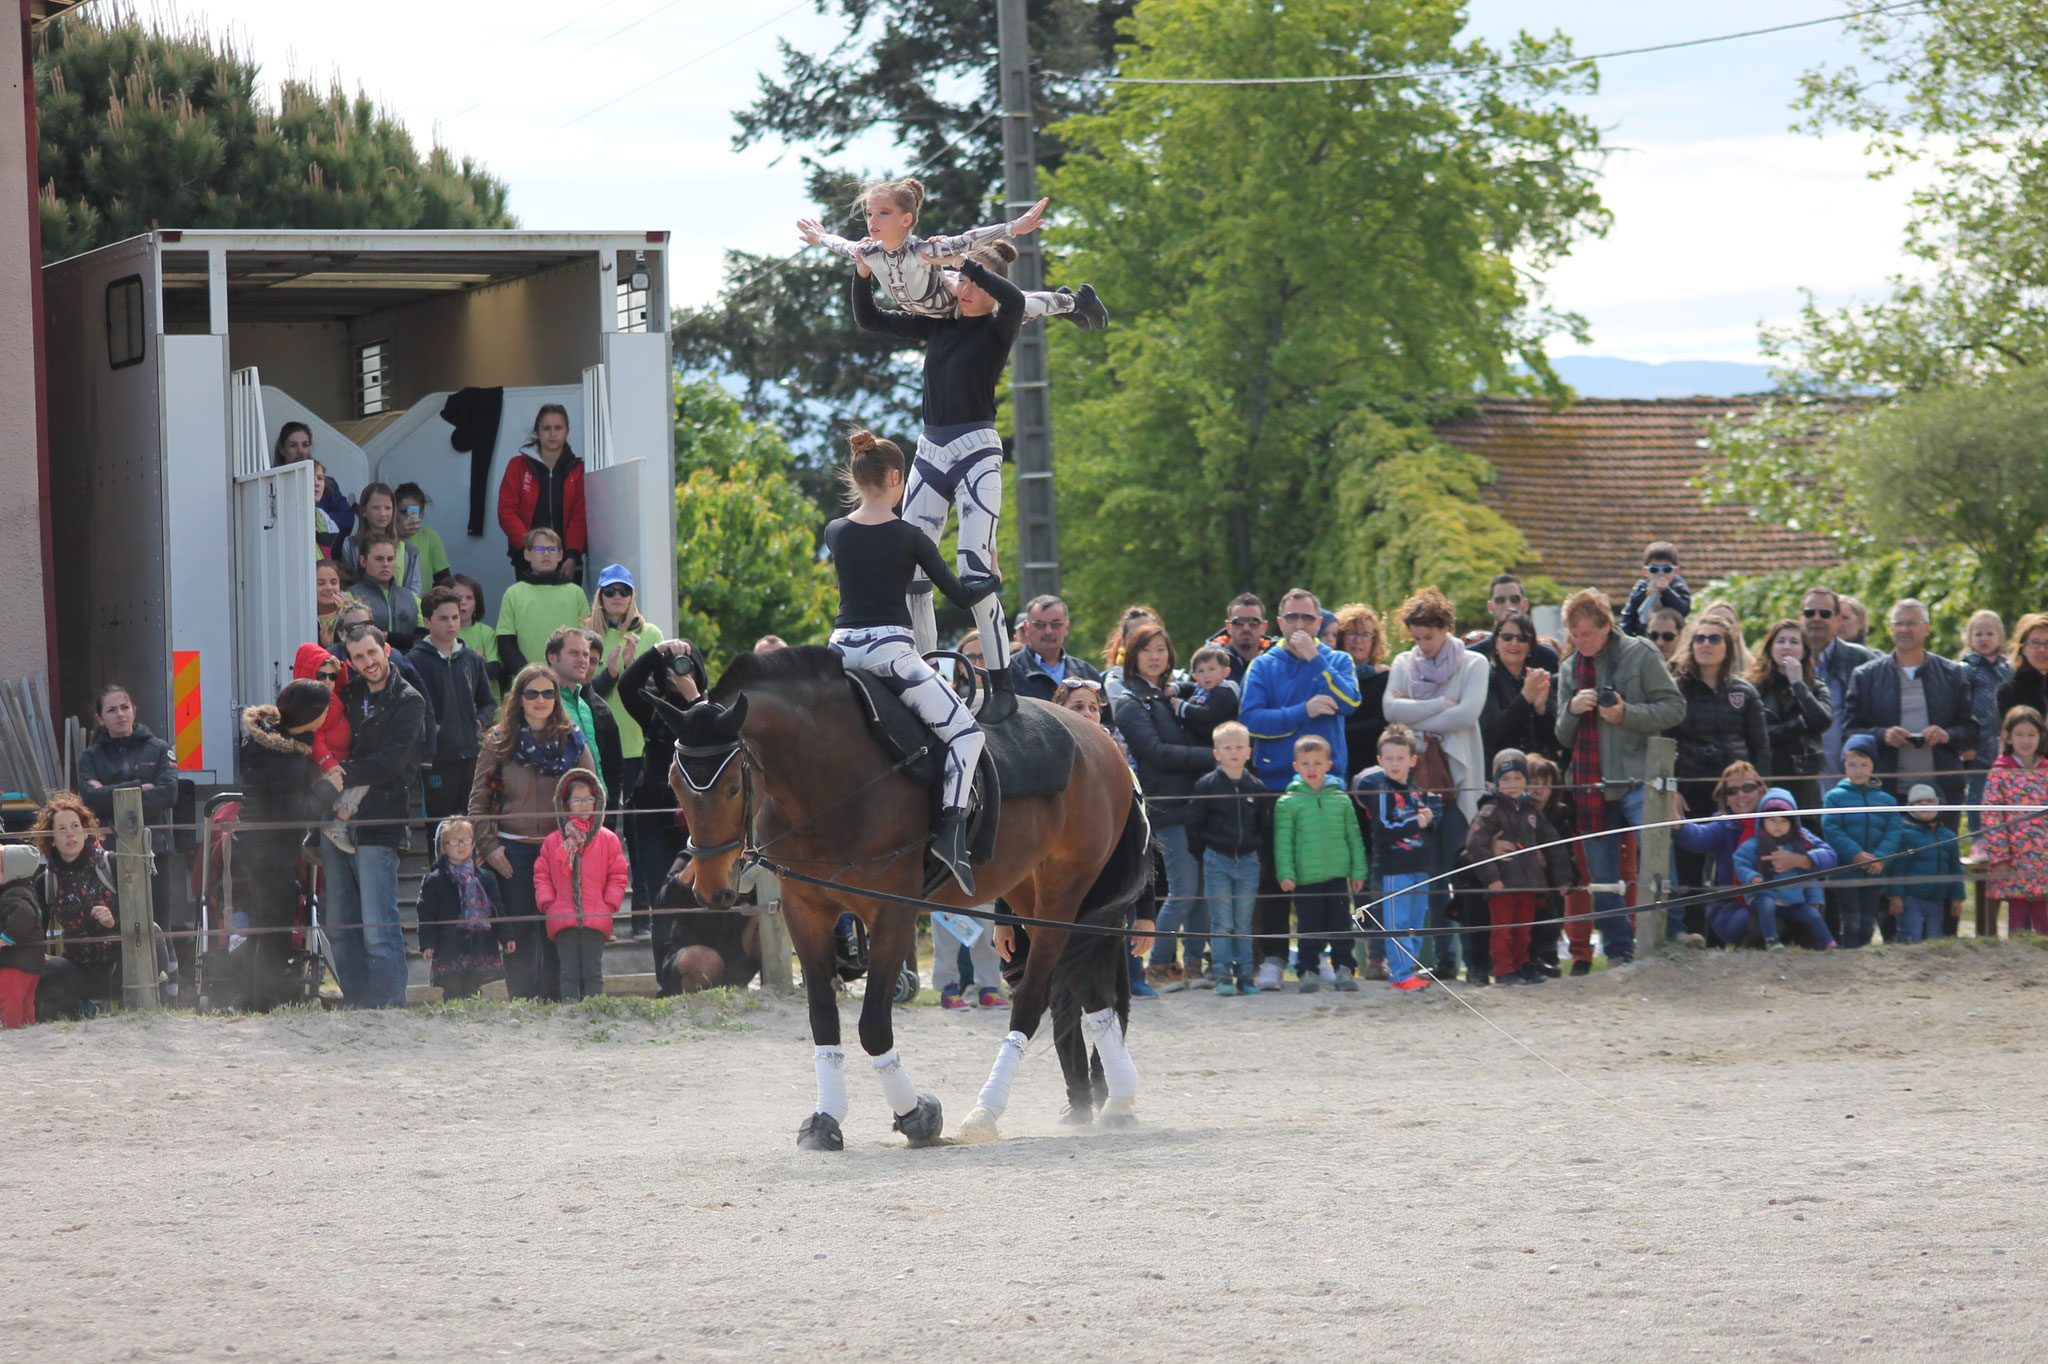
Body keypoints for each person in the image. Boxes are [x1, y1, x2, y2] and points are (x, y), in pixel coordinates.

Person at [823, 429, 998, 895]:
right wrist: (992, 576)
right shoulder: (910, 536)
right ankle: (950, 832)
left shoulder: (835, 532)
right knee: (966, 733)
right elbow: (961, 596)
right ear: (898, 477)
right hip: (889, 651)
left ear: (858, 477)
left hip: (839, 650)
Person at [848, 240, 1022, 679]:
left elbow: (1015, 299)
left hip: (976, 452)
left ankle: (1001, 683)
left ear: (991, 287)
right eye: (959, 280)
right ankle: (928, 672)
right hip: (930, 452)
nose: (963, 288)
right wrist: (863, 273)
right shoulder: (938, 325)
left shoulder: (999, 327)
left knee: (975, 570)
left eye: (972, 281)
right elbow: (867, 318)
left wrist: (961, 260)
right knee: (914, 577)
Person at [1552, 588, 1687, 971]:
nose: (1581, 642)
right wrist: (1573, 710)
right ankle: (1618, 952)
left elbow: (1675, 707)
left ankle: (1673, 932)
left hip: (1636, 777)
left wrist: (1627, 713)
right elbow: (1561, 735)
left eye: (1587, 635)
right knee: (1604, 879)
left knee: (1658, 857)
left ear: (1607, 626)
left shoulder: (1640, 653)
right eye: (1574, 635)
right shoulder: (1568, 668)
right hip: (1591, 784)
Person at [801, 178, 1104, 327]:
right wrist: (820, 237)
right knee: (1019, 315)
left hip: (956, 305)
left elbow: (967, 240)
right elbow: (842, 246)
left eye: (882, 213)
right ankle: (1068, 304)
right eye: (869, 214)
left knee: (1019, 310)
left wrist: (1014, 227)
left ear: (906, 220)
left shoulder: (923, 250)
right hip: (933, 315)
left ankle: (1077, 300)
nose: (872, 221)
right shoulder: (869, 252)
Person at [1379, 586, 1489, 980]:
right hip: (1415, 785)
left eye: (1429, 636)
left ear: (1445, 628)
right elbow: (1391, 711)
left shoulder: (1474, 663)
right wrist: (1439, 707)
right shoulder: (1403, 662)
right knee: (1429, 874)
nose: (1422, 645)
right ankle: (1442, 957)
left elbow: (1467, 716)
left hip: (1458, 781)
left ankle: (1475, 959)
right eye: (1417, 637)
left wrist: (1415, 717)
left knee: (1461, 870)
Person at [321, 625, 427, 1008]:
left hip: (380, 821)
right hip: (333, 819)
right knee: (341, 926)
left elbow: (392, 764)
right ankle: (357, 1005)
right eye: (359, 657)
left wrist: (339, 771)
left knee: (378, 929)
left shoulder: (409, 700)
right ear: (351, 661)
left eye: (373, 653)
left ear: (385, 650)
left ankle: (387, 1008)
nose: (369, 662)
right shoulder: (346, 694)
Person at [470, 662, 591, 1000]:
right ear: (518, 698)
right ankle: (522, 1003)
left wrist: (578, 840)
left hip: (560, 851)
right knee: (518, 934)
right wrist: (490, 847)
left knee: (557, 931)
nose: (541, 699)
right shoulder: (499, 741)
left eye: (548, 693)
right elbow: (477, 803)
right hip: (512, 851)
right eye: (532, 693)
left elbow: (595, 796)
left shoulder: (573, 741)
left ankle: (555, 1000)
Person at [1113, 622, 1214, 990]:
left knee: (1200, 891)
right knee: (1183, 889)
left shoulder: (1176, 695)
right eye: (1146, 649)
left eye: (1161, 649)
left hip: (1199, 804)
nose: (1155, 656)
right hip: (1168, 808)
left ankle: (1192, 966)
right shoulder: (1129, 702)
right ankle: (1155, 966)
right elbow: (1155, 753)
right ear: (1132, 657)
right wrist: (1214, 757)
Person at [234, 678, 335, 1009]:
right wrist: (329, 788)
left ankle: (254, 995)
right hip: (271, 848)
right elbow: (295, 813)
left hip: (257, 843)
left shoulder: (270, 743)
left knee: (264, 922)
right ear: (311, 714)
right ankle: (265, 999)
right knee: (274, 925)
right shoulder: (286, 759)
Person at [1665, 616, 1768, 936]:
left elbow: (1760, 747)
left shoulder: (1745, 692)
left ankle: (1741, 933)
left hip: (1736, 795)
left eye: (1713, 639)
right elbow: (1663, 742)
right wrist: (1671, 788)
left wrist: (1761, 792)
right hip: (1690, 789)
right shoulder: (1675, 690)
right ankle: (1692, 934)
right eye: (1699, 638)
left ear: (1728, 647)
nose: (1705, 644)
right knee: (1689, 866)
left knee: (1736, 865)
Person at [1844, 598, 1979, 825]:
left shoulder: (1952, 673)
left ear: (1927, 628)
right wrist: (1882, 735)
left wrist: (1947, 735)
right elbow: (1849, 731)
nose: (1905, 629)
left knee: (1941, 857)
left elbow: (1972, 731)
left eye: (1912, 623)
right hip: (1885, 791)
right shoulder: (1866, 676)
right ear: (1890, 629)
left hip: (1942, 791)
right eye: (1899, 623)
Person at [619, 638, 708, 950]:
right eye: (671, 668)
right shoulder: (655, 709)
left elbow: (708, 734)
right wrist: (659, 651)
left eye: (686, 664)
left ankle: (696, 964)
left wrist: (694, 697)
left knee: (701, 897)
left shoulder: (710, 707)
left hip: (700, 822)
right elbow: (627, 686)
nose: (678, 671)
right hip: (655, 820)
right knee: (662, 898)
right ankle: (665, 976)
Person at [77, 684, 180, 953]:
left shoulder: (159, 749)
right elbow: (89, 800)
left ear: (134, 711)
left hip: (155, 848)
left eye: (125, 708)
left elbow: (168, 795)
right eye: (112, 710)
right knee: (116, 923)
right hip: (108, 853)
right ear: (100, 718)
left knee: (158, 925)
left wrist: (109, 793)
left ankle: (167, 989)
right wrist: (137, 787)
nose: (120, 714)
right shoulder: (91, 756)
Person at [1462, 749, 1571, 984]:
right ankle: (1503, 970)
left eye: (1518, 778)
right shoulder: (1491, 810)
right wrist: (1491, 878)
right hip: (1502, 884)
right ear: (1496, 782)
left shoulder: (1532, 812)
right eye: (1505, 779)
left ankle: (1524, 966)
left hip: (1529, 885)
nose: (1512, 784)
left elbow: (1554, 843)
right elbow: (1474, 844)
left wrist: (1563, 878)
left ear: (1526, 782)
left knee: (1524, 931)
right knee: (1503, 931)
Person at [1274, 734, 1367, 992]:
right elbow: (1284, 843)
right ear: (1296, 767)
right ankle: (1307, 971)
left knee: (1341, 926)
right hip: (1305, 879)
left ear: (1328, 765)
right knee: (1309, 928)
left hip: (1338, 875)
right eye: (1305, 763)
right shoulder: (1288, 802)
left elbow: (1354, 837)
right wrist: (1286, 873)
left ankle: (1345, 968)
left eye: (1317, 763)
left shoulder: (1341, 799)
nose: (1311, 768)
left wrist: (1358, 870)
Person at [1354, 725, 1438, 990]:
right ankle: (1400, 974)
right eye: (1388, 759)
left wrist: (1432, 817)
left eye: (1400, 758)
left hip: (1419, 867)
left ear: (1413, 760)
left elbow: (1427, 829)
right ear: (1380, 761)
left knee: (1415, 922)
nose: (1394, 764)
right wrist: (1418, 823)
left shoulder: (1416, 792)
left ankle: (1409, 970)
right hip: (1393, 870)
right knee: (1397, 923)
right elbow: (1383, 831)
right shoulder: (1381, 792)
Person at [1187, 720, 1267, 996]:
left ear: (1249, 752)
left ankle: (1245, 975)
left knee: (1243, 922)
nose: (1234, 752)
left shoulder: (1256, 787)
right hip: (1216, 860)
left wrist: (1257, 852)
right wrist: (1205, 855)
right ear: (1217, 753)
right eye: (1227, 747)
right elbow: (1194, 826)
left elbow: (1263, 825)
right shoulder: (1206, 785)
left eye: (1239, 747)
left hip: (1247, 861)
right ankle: (1222, 975)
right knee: (1221, 922)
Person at [537, 769, 628, 1001]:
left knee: (593, 972)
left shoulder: (608, 839)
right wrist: (549, 902)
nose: (584, 805)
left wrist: (609, 903)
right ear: (565, 804)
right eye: (576, 800)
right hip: (562, 916)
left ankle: (595, 1011)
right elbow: (542, 873)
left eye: (589, 799)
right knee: (568, 972)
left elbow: (618, 874)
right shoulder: (553, 841)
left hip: (596, 915)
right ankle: (570, 1013)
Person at [585, 565, 668, 815]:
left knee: (637, 819)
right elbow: (581, 693)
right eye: (610, 591)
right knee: (602, 818)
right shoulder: (587, 636)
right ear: (600, 596)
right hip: (599, 741)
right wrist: (610, 674)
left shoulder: (651, 633)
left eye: (624, 590)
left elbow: (660, 691)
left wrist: (632, 669)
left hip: (638, 741)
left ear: (632, 596)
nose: (617, 596)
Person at [409, 586, 496, 821]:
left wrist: (479, 721)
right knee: (439, 825)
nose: (451, 624)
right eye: (443, 618)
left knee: (470, 823)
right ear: (427, 622)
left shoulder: (471, 660)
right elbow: (407, 711)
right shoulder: (413, 662)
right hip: (435, 760)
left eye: (455, 617)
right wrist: (428, 728)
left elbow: (488, 702)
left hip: (470, 756)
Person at [32, 792, 120, 1012]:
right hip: (76, 968)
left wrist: (113, 922)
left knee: (154, 932)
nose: (70, 834)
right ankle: (82, 1010)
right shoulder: (46, 881)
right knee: (36, 964)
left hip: (118, 965)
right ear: (51, 837)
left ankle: (158, 1005)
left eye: (75, 826)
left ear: (86, 831)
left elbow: (142, 918)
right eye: (62, 829)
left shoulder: (111, 864)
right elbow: (36, 932)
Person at [1672, 761, 1770, 948]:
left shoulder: (1778, 818)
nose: (1740, 794)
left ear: (1760, 790)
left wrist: (1803, 859)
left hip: (1778, 899)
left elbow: (1824, 853)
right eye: (1732, 791)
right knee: (1763, 919)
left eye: (1747, 787)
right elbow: (1696, 838)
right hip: (1732, 908)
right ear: (1725, 797)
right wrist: (1676, 818)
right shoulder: (1723, 825)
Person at [414, 817, 509, 1001]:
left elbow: (497, 908)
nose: (461, 845)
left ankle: (474, 1012)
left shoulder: (485, 877)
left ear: (473, 844)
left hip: (479, 942)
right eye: (454, 841)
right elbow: (426, 913)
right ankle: (454, 1011)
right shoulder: (434, 880)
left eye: (466, 840)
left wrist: (506, 936)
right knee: (452, 987)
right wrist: (428, 943)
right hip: (449, 944)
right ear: (443, 846)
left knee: (475, 984)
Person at [1748, 618, 1832, 820]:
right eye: (1781, 641)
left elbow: (1823, 721)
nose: (1787, 647)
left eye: (1794, 642)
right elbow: (1757, 733)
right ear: (1770, 647)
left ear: (1804, 650)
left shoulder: (1816, 687)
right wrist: (1797, 726)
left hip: (1803, 781)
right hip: (1765, 774)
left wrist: (1798, 684)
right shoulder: (1752, 687)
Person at [1733, 790, 1839, 950]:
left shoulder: (1801, 842)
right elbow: (1740, 861)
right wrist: (1752, 876)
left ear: (1793, 822)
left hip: (1793, 900)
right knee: (1766, 903)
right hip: (1764, 896)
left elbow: (1811, 876)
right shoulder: (1754, 844)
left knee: (1813, 914)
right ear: (1762, 821)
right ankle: (1772, 941)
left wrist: (1815, 898)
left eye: (1784, 821)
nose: (1778, 825)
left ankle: (1829, 944)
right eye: (1772, 820)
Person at [1821, 735, 1899, 949]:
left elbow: (1893, 832)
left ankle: (1862, 950)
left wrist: (1880, 858)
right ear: (1844, 765)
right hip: (1845, 870)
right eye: (1852, 764)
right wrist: (1856, 854)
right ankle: (1848, 951)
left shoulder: (1887, 801)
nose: (1858, 769)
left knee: (1867, 918)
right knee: (1850, 917)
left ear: (1873, 766)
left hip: (1875, 870)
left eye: (1864, 764)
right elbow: (1832, 829)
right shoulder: (1834, 797)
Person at [1977, 706, 2048, 936]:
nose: (2025, 740)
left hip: (2044, 857)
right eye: (2019, 734)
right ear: (2008, 736)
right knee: (2017, 913)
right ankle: (2015, 962)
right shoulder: (2000, 772)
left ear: (2040, 736)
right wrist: (2000, 856)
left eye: (2031, 734)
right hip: (2014, 857)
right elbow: (1991, 816)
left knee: (2043, 913)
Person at [497, 404, 587, 582]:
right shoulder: (518, 466)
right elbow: (506, 511)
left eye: (558, 428)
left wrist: (572, 555)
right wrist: (530, 549)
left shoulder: (579, 470)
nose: (552, 434)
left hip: (567, 560)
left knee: (567, 610)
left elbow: (581, 516)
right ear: (537, 431)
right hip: (527, 560)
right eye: (546, 428)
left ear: (567, 431)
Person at [495, 529, 590, 680]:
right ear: (527, 554)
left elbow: (587, 639)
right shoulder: (513, 593)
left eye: (552, 549)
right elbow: (506, 643)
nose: (546, 554)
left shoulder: (576, 593)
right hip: (528, 681)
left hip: (568, 680)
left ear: (560, 555)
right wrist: (529, 674)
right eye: (539, 549)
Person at [1803, 586, 1876, 778]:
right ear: (1800, 618)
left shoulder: (1862, 660)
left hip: (1852, 774)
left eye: (1825, 613)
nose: (1816, 618)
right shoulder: (1783, 660)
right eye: (1810, 613)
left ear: (1837, 619)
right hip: (1801, 773)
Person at [1875, 785, 1963, 944]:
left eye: (1929, 801)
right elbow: (1896, 868)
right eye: (1918, 802)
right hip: (1910, 898)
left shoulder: (1948, 836)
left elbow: (1955, 869)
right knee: (1910, 936)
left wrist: (1957, 898)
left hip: (1938, 899)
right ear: (1910, 807)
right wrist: (1895, 896)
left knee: (1934, 939)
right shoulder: (1903, 833)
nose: (1924, 805)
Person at [1957, 609, 2013, 833]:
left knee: (2005, 792)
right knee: (1977, 792)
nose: (1984, 639)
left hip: (2005, 744)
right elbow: (1960, 707)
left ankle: (2006, 835)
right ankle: (1978, 837)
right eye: (1979, 634)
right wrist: (1965, 744)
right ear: (1970, 638)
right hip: (1978, 744)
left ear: (1999, 637)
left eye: (1990, 634)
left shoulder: (2008, 669)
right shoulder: (1965, 669)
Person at [1481, 608, 1558, 767]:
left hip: (1536, 774)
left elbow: (1556, 742)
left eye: (1522, 638)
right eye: (1507, 637)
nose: (1514, 643)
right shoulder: (1485, 678)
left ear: (1530, 645)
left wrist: (1542, 710)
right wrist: (1525, 698)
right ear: (1496, 642)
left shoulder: (1539, 679)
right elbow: (1492, 735)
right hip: (1500, 773)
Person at [1332, 603, 1393, 781]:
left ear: (1375, 640)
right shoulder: (1330, 676)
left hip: (1370, 763)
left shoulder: (1384, 677)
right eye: (1351, 633)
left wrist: (1337, 729)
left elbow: (1382, 723)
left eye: (1365, 635)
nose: (1358, 640)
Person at [1010, 594, 1103, 701]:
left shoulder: (1087, 673)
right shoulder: (1010, 672)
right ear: (1027, 627)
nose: (1048, 631)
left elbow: (1104, 715)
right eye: (1039, 625)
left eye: (1056, 624)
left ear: (1067, 627)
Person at [0, 844, 48, 1027]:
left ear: (11, 873)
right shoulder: (26, 890)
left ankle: (9, 1028)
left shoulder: (12, 894)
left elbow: (25, 916)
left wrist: (5, 939)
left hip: (15, 962)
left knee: (8, 998)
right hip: (31, 962)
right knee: (25, 1000)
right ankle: (27, 1027)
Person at [1473, 575, 1561, 670]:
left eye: (1515, 599)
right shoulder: (1474, 656)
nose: (1508, 605)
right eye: (1500, 600)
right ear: (1490, 607)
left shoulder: (1548, 657)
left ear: (1525, 605)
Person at [350, 532, 420, 651]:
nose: (386, 564)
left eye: (390, 559)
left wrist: (391, 638)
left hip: (408, 664)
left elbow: (426, 638)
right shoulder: (350, 596)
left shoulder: (411, 597)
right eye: (379, 559)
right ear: (363, 561)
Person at [1168, 645, 1241, 748]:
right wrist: (1175, 688)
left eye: (1211, 669)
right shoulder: (1202, 687)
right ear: (1195, 677)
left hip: (1215, 746)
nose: (1206, 675)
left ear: (1225, 672)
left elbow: (1207, 713)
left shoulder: (1224, 692)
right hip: (1197, 740)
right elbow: (1190, 686)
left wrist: (1182, 707)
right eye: (1201, 671)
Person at [1620, 540, 1691, 637]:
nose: (1660, 573)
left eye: (1667, 569)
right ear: (1646, 571)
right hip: (1643, 637)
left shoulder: (1678, 587)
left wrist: (1666, 591)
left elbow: (1684, 610)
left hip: (1669, 638)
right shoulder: (1641, 588)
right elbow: (1628, 616)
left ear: (1675, 572)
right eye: (1654, 569)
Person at [339, 482, 405, 583]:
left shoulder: (406, 548)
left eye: (387, 508)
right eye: (376, 508)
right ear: (364, 511)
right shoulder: (350, 545)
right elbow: (348, 582)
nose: (382, 514)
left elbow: (412, 588)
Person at [450, 574, 502, 701]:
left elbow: (494, 670)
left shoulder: (487, 632)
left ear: (477, 603)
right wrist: (476, 663)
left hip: (488, 707)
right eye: (457, 598)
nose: (463, 602)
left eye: (469, 598)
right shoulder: (445, 633)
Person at [392, 482, 451, 590]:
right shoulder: (384, 537)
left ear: (422, 514)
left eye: (414, 513)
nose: (408, 518)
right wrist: (397, 534)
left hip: (422, 604)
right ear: (393, 511)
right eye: (403, 512)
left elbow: (443, 580)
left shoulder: (430, 536)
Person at [1205, 593, 1273, 686]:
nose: (1246, 628)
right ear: (1228, 627)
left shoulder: (1278, 660)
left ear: (1264, 627)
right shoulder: (1208, 658)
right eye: (1238, 622)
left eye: (1254, 622)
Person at [1099, 605, 1162, 706]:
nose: (1143, 640)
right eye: (1135, 635)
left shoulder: (1180, 680)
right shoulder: (1113, 681)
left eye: (1150, 633)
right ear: (1124, 642)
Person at [1996, 613, 2048, 721]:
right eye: (2035, 642)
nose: (2042, 649)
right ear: (2023, 648)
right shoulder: (2009, 692)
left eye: (2047, 643)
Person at [317, 559, 348, 648]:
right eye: (321, 583)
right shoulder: (305, 617)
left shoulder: (352, 613)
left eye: (334, 582)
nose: (329, 587)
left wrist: (345, 615)